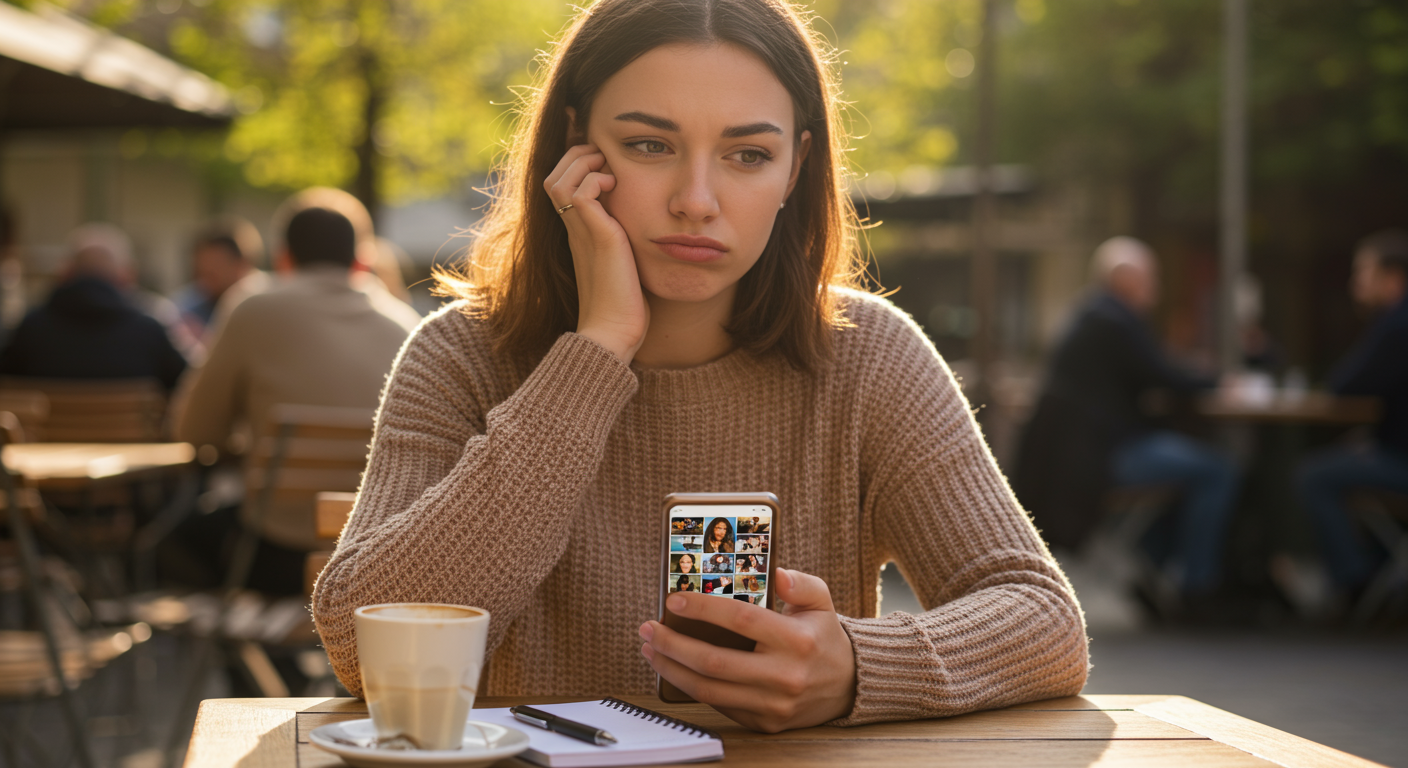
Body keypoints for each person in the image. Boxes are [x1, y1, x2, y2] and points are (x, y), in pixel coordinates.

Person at [313, 0, 1086, 733]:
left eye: (748, 155)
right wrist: (596, 351)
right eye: (651, 145)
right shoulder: (460, 356)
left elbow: (1043, 619)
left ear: (795, 168)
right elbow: (359, 643)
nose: (696, 199)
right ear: (575, 145)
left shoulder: (867, 354)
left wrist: (857, 665)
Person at [171, 196, 421, 595]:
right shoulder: (405, 324)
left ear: (285, 258)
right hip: (371, 553)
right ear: (360, 258)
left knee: (172, 541)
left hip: (273, 550)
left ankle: (246, 656)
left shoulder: (252, 308)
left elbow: (194, 430)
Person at [1013, 237, 1236, 596]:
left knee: (1191, 466)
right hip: (1102, 460)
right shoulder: (1115, 321)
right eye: (1151, 278)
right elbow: (1164, 376)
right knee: (1215, 470)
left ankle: (1153, 565)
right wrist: (1220, 383)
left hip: (1084, 457)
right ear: (1125, 280)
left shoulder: (1092, 315)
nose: (1157, 289)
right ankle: (1197, 584)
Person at [1297, 229, 1408, 602]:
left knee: (1314, 475)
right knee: (1351, 460)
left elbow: (1344, 386)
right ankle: (1381, 581)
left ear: (1392, 279)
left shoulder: (1395, 324)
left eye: (1363, 272)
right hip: (1395, 448)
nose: (1354, 283)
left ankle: (1355, 583)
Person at [0, 223, 187, 390]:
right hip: (127, 430)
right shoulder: (149, 332)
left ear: (65, 273)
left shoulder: (30, 329)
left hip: (45, 430)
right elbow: (185, 384)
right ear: (126, 276)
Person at [171, 216, 265, 339]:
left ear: (242, 264)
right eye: (201, 271)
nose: (205, 280)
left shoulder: (267, 306)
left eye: (214, 271)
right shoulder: (186, 309)